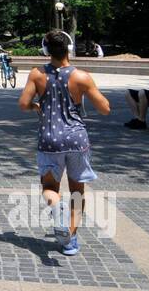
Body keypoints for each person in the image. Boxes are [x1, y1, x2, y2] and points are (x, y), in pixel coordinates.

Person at [18, 30, 111, 256]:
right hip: (76, 139)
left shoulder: (36, 74)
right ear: (69, 49)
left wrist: (36, 107)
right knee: (77, 190)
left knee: (50, 188)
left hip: (49, 139)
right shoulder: (81, 76)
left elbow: (23, 103)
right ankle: (70, 241)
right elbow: (105, 109)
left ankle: (56, 206)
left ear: (46, 50)